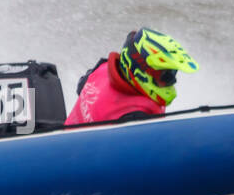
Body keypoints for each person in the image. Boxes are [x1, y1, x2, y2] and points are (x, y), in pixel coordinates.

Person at [65, 27, 199, 126]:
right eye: (166, 76)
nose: (172, 81)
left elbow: (80, 87)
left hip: (65, 139)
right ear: (140, 69)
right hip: (79, 158)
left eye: (173, 74)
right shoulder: (137, 117)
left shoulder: (102, 68)